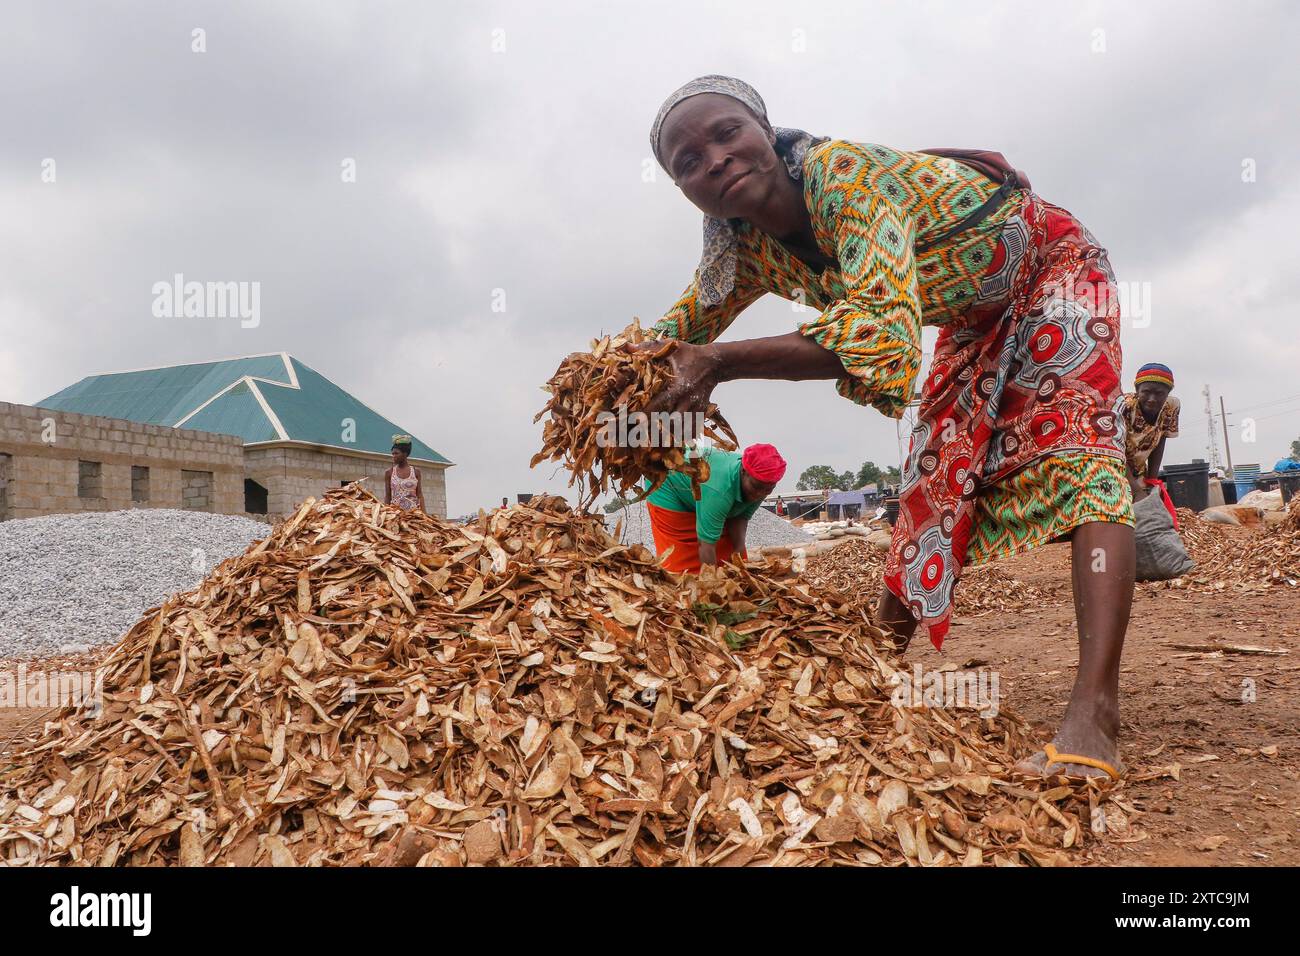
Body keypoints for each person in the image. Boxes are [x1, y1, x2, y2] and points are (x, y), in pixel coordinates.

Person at [637, 75, 1133, 780]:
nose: (712, 159)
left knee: (1080, 454)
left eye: (726, 133)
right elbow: (671, 340)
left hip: (1055, 265)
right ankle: (870, 671)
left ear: (767, 134)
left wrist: (715, 363)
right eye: (687, 162)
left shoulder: (843, 178)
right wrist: (609, 384)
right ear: (684, 190)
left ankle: (1095, 714)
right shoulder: (739, 251)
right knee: (931, 476)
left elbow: (881, 338)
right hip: (973, 317)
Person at [645, 443, 786, 573]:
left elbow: (740, 519)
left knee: (727, 557)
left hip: (705, 492)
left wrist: (742, 566)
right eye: (756, 487)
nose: (759, 494)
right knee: (681, 564)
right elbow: (706, 543)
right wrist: (712, 584)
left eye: (768, 489)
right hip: (667, 484)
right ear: (743, 471)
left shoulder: (762, 481)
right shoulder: (719, 490)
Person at [1122, 363, 1180, 499]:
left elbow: (1161, 439)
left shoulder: (1172, 406)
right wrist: (1136, 491)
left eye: (1159, 393)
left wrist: (1152, 481)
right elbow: (1115, 450)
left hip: (1138, 471)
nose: (1152, 399)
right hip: (1114, 466)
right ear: (1137, 390)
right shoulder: (1124, 406)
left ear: (1168, 393)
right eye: (1146, 392)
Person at [384, 435, 425, 512]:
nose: (394, 456)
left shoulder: (416, 472)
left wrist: (425, 515)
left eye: (396, 453)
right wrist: (385, 513)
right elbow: (387, 496)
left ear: (405, 454)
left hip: (413, 514)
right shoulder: (389, 472)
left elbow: (419, 495)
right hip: (396, 514)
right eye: (393, 454)